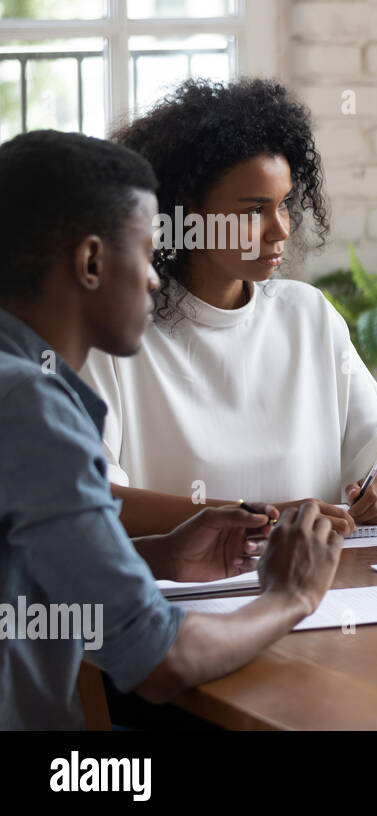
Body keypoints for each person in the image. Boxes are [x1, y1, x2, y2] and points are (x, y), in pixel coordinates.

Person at [0, 130, 344, 730]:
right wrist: (292, 597)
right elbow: (160, 659)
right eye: (146, 250)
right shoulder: (33, 406)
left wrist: (157, 556)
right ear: (90, 262)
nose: (157, 277)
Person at [80, 78, 377, 538]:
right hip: (185, 595)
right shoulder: (117, 335)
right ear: (186, 212)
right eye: (253, 210)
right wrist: (265, 517)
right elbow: (97, 499)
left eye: (283, 205)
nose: (279, 229)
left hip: (322, 589)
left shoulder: (309, 316)